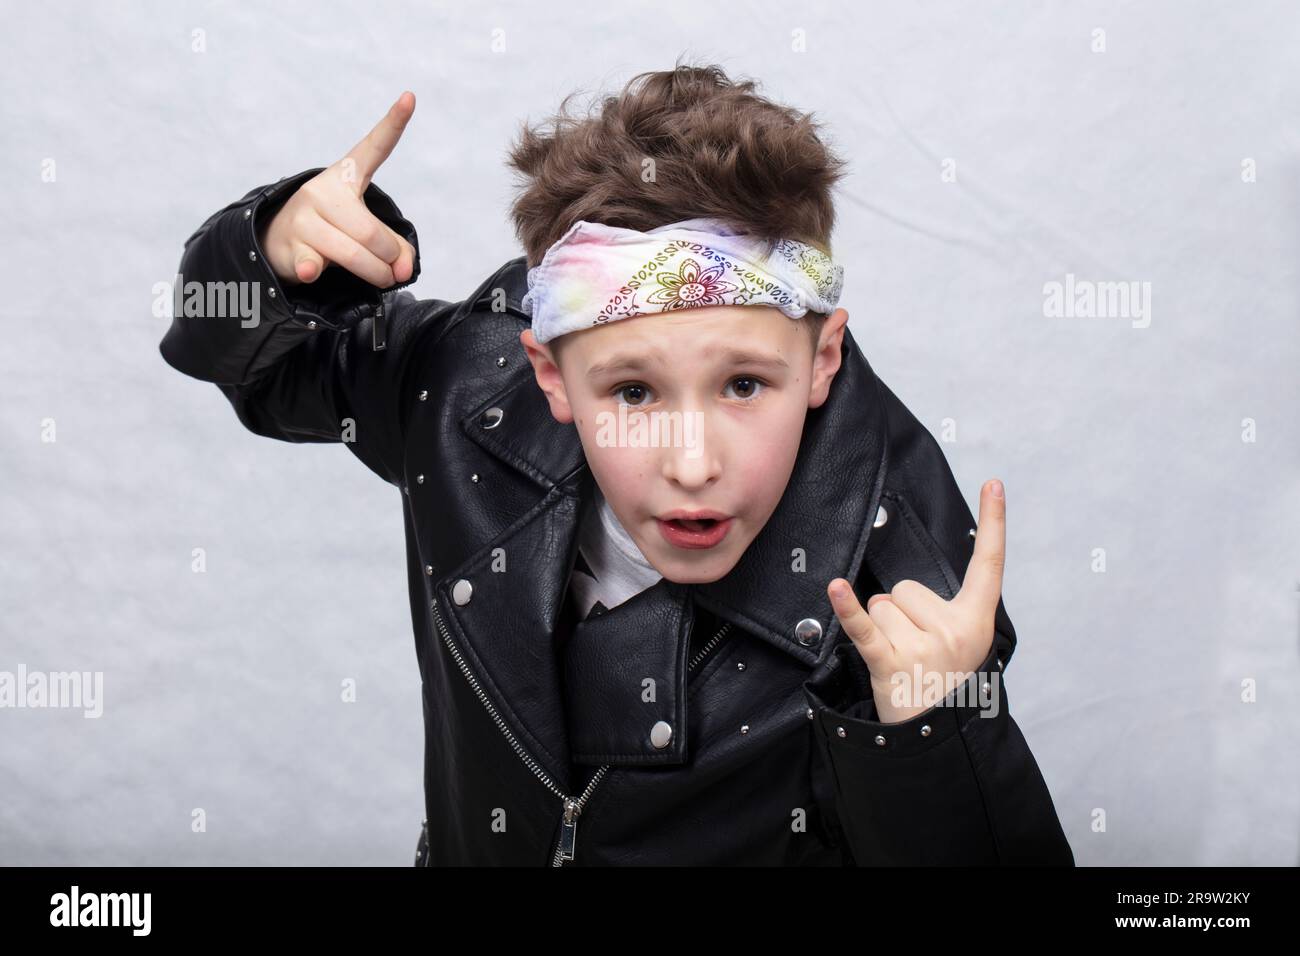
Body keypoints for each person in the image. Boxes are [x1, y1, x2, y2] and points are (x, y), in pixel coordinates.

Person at [159, 63, 1074, 866]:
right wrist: (273, 254)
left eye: (745, 384)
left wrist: (930, 736)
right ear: (550, 374)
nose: (690, 464)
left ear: (821, 360)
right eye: (633, 393)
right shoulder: (465, 393)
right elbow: (249, 365)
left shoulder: (895, 572)